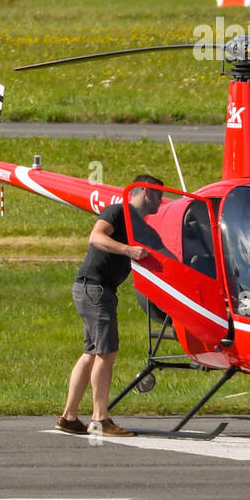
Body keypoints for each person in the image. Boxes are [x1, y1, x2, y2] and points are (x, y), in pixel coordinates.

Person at [56, 175, 165, 438]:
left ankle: (69, 418)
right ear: (146, 193)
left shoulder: (142, 227)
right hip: (94, 288)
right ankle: (100, 419)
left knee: (91, 353)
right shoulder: (118, 211)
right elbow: (96, 237)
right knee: (107, 352)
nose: (162, 202)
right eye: (159, 195)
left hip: (94, 289)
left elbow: (164, 252)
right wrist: (128, 250)